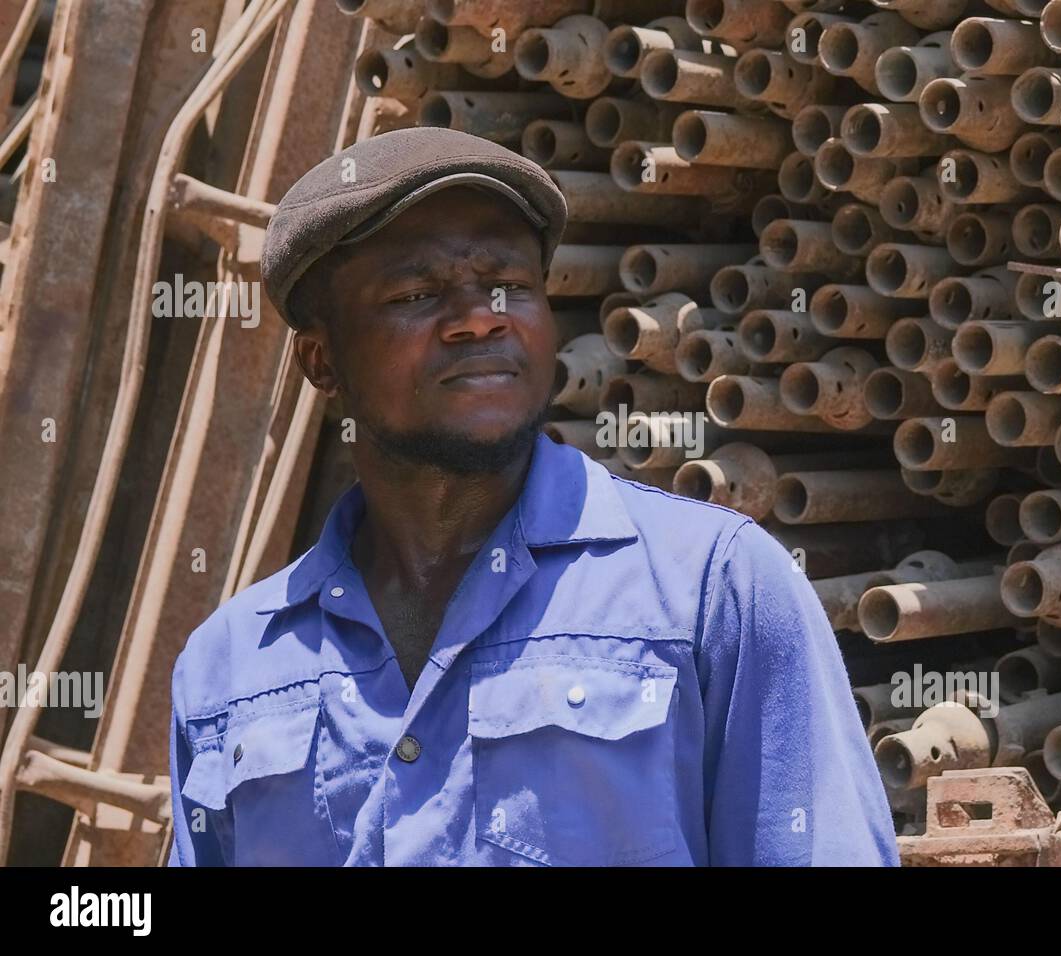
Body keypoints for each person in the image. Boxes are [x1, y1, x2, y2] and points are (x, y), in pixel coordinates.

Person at [166, 126, 898, 866]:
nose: (482, 316)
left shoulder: (712, 591)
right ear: (320, 360)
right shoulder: (229, 670)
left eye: (511, 285)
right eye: (418, 293)